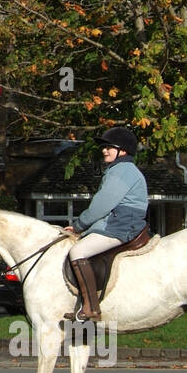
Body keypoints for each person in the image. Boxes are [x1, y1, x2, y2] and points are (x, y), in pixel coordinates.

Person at [62, 126, 148, 322]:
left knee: (78, 252)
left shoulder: (122, 171)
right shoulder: (121, 169)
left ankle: (91, 308)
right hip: (121, 221)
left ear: (123, 151)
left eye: (110, 147)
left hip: (121, 224)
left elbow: (101, 206)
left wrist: (79, 226)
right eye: (104, 147)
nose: (104, 150)